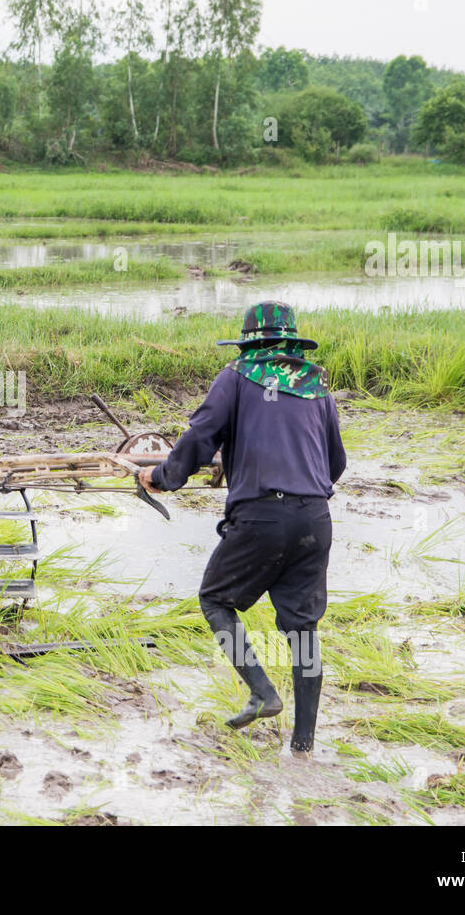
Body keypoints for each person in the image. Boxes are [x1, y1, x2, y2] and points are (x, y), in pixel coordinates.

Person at [138, 301, 345, 753]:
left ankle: (262, 691)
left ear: (250, 340)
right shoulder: (317, 383)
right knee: (303, 631)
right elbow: (335, 463)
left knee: (215, 599)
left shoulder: (236, 375)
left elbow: (200, 437)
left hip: (262, 518)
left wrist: (161, 477)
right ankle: (304, 746)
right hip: (315, 519)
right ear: (290, 341)